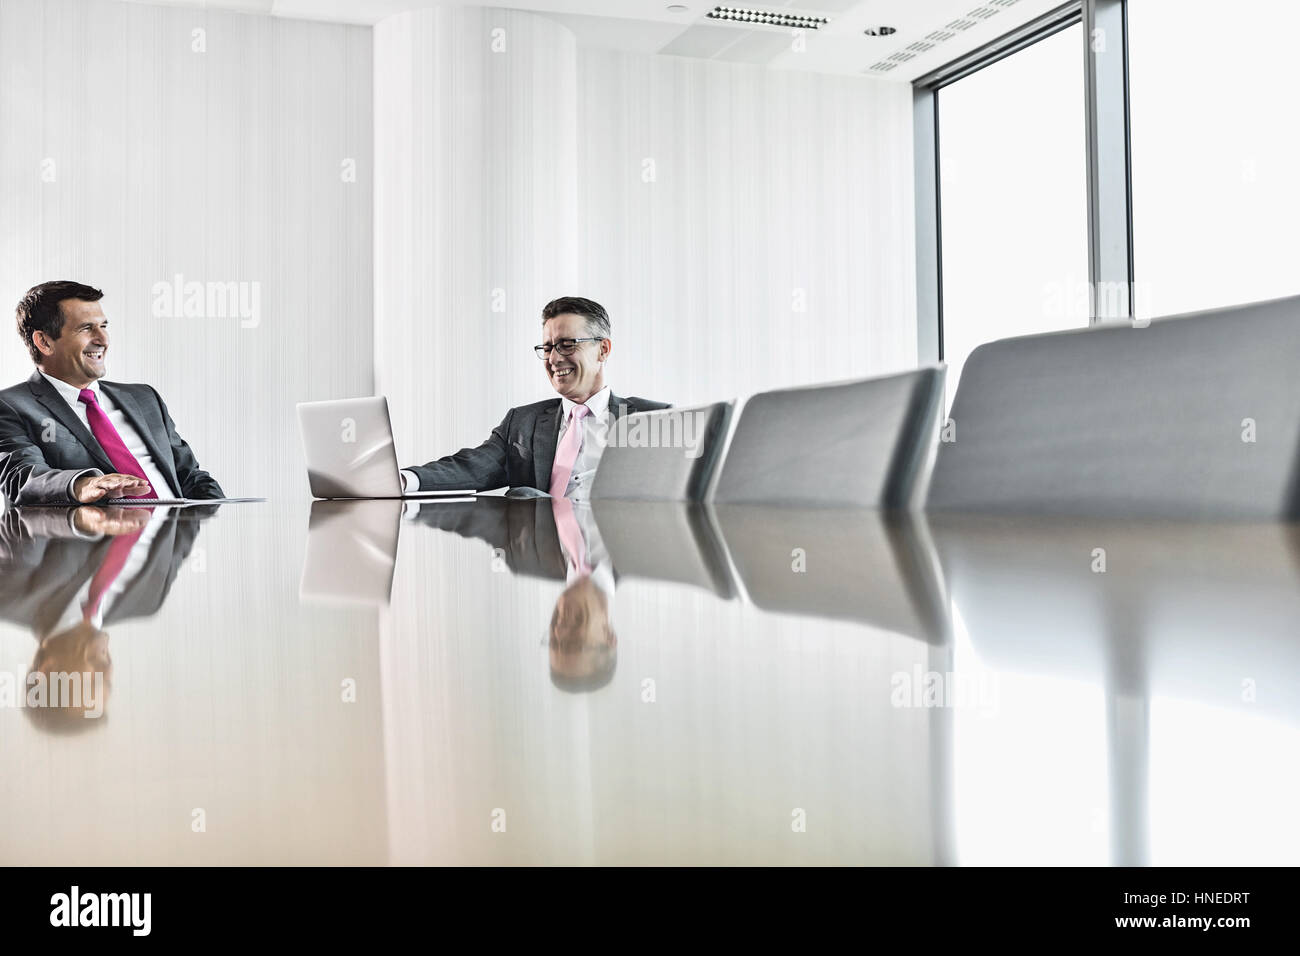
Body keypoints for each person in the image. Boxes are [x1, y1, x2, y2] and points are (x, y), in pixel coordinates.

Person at [401, 296, 668, 498]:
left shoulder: (654, 420)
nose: (553, 358)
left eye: (566, 344)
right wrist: (403, 480)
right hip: (545, 562)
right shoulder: (522, 422)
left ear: (603, 349)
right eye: (548, 347)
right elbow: (470, 467)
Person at [0, 280, 224, 506]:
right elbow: (22, 478)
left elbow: (192, 478)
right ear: (45, 342)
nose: (103, 340)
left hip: (175, 534)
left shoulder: (145, 398)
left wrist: (218, 518)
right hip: (97, 537)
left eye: (104, 326)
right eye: (86, 328)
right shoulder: (11, 406)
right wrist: (83, 484)